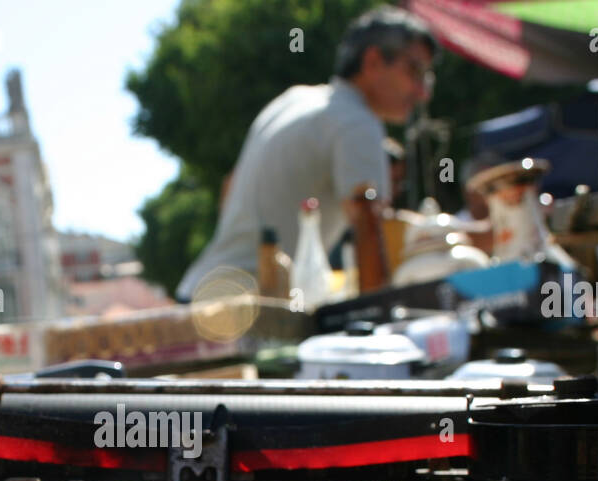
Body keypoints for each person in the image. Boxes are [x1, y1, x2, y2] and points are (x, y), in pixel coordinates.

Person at [176, 6, 435, 301]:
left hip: (200, 292)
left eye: (427, 77)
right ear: (374, 61)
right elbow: (370, 224)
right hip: (252, 311)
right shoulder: (357, 120)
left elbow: (229, 185)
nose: (422, 91)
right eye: (415, 70)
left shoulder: (294, 100)